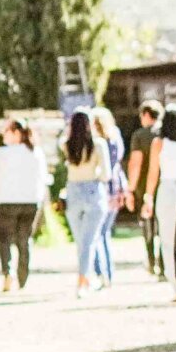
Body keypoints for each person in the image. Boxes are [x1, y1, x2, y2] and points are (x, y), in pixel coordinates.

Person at [0, 117, 47, 294]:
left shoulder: (1, 153)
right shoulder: (37, 153)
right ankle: (23, 276)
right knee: (24, 239)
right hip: (30, 201)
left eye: (6, 130)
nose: (3, 134)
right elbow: (43, 177)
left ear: (17, 133)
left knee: (4, 239)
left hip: (4, 201)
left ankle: (8, 273)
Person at [143, 105, 176, 297]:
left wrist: (148, 197)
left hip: (166, 189)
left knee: (167, 239)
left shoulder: (158, 143)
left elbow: (153, 173)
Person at [63, 108, 115, 295]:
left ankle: (86, 278)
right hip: (93, 191)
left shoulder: (66, 145)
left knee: (81, 241)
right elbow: (107, 174)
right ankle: (85, 279)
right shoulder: (98, 144)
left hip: (73, 192)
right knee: (90, 240)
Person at [124, 102, 164, 275]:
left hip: (143, 186)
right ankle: (163, 264)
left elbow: (135, 164)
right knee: (163, 226)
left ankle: (151, 261)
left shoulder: (140, 135)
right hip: (164, 184)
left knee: (148, 225)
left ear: (146, 115)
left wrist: (130, 189)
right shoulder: (166, 133)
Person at [90, 104, 126, 285]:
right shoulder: (115, 137)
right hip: (116, 187)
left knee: (97, 233)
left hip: (101, 188)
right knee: (105, 233)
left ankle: (101, 272)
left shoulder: (96, 142)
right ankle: (108, 273)